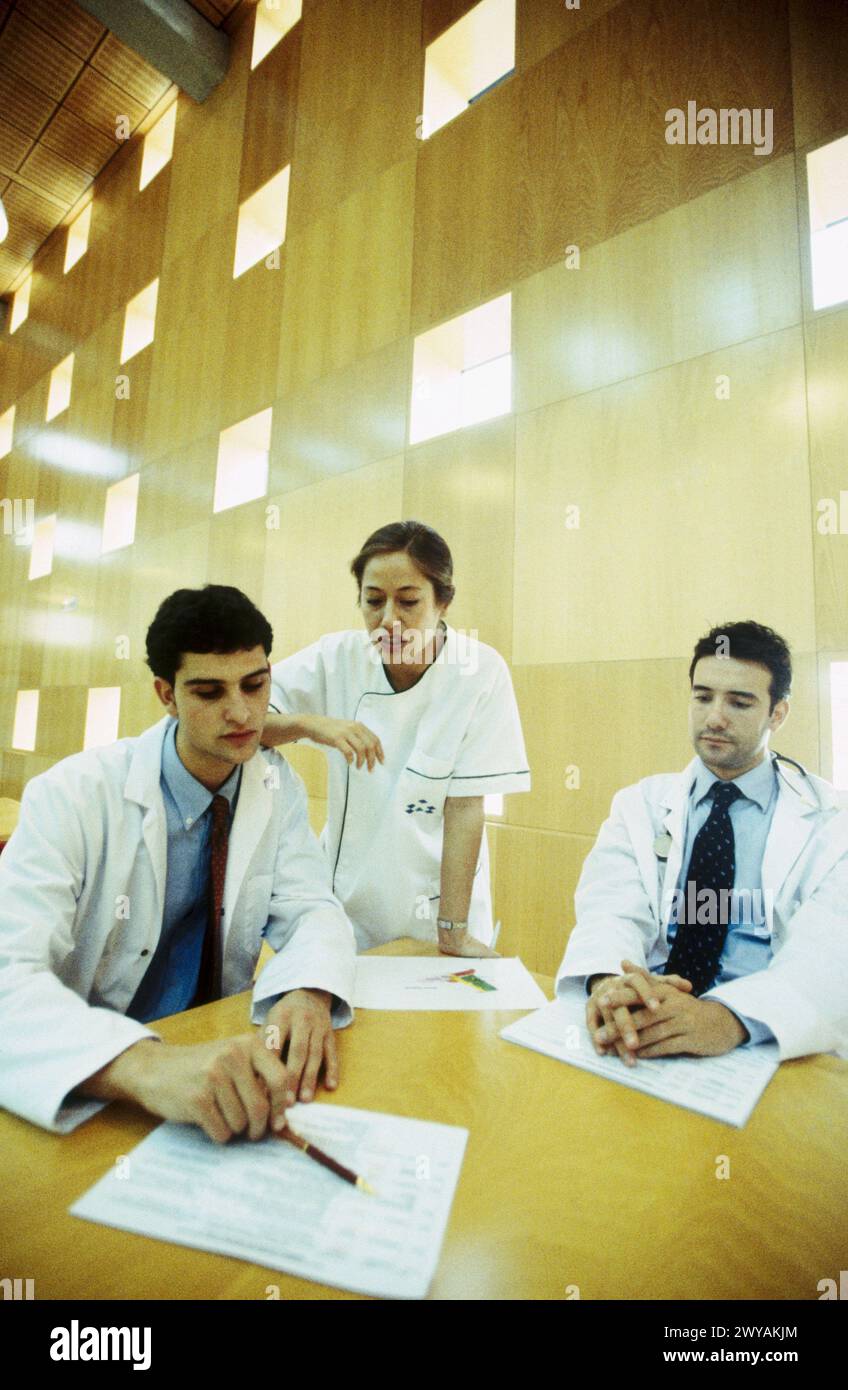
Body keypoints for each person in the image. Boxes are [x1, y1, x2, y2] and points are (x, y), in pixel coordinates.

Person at [0, 585, 356, 1139]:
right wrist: (140, 1064)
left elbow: (312, 907)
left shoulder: (272, 782)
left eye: (255, 685)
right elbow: (7, 975)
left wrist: (308, 990)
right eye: (209, 692)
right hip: (95, 1076)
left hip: (219, 1060)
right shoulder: (72, 795)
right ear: (166, 694)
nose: (240, 712)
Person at [557, 621, 848, 1063]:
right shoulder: (640, 803)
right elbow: (609, 911)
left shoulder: (832, 821)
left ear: (779, 713)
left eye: (740, 702)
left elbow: (829, 953)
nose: (715, 717)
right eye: (703, 696)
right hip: (645, 1018)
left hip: (760, 1034)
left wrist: (725, 1018)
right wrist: (610, 984)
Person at [261, 520, 531, 954]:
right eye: (373, 602)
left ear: (443, 602)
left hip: (443, 908)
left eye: (408, 602)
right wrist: (314, 725)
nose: (389, 621)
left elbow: (465, 809)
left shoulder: (479, 671)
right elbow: (243, 721)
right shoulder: (337, 658)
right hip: (345, 902)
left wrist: (453, 930)